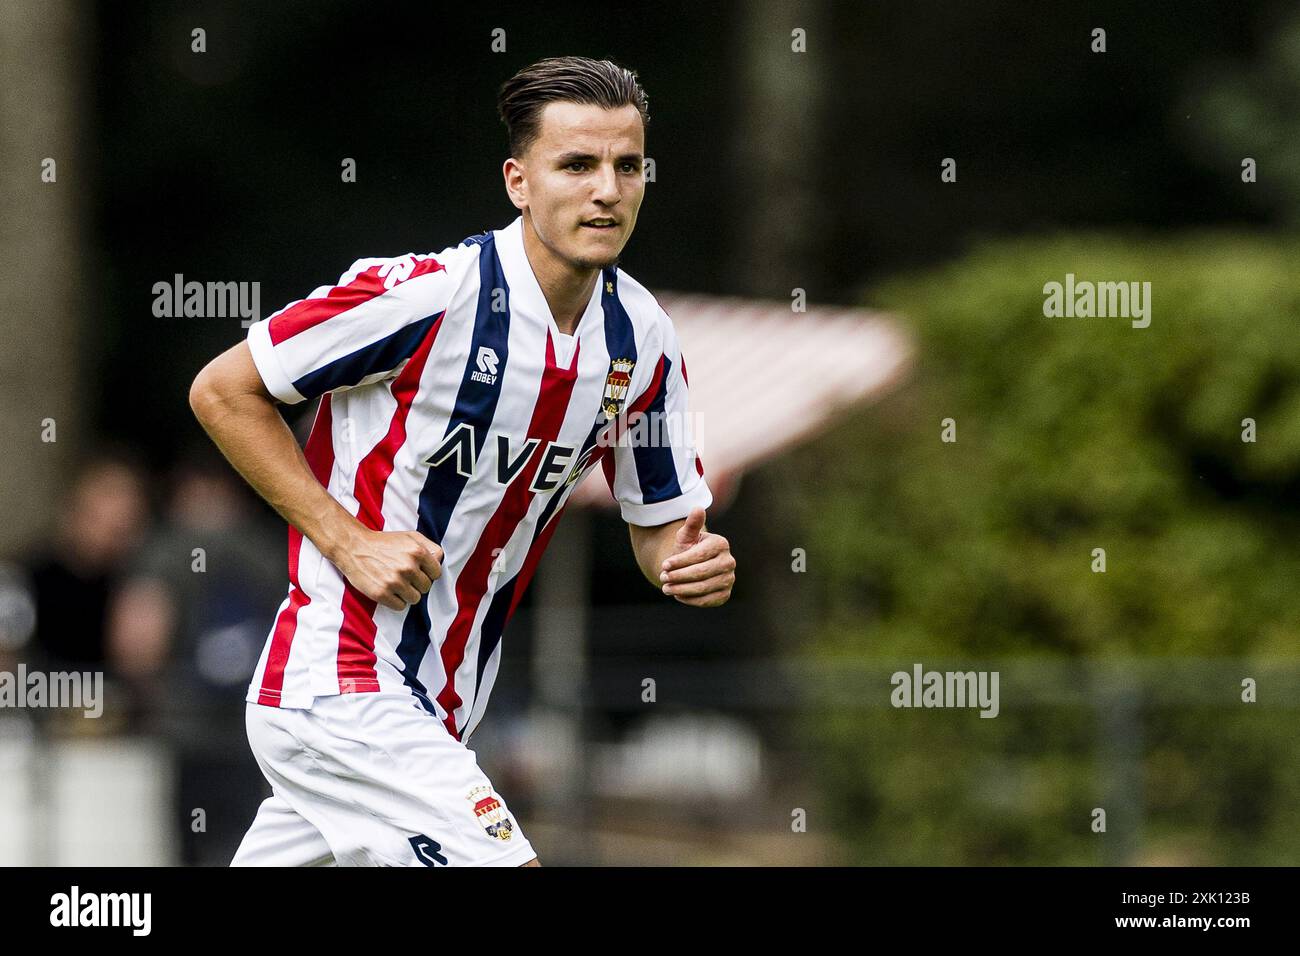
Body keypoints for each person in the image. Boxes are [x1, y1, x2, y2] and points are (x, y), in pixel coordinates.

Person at [190, 56, 736, 867]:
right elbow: (224, 389)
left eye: (628, 166)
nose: (608, 189)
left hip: (440, 708)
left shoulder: (644, 341)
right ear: (518, 180)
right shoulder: (426, 296)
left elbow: (660, 529)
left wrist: (687, 565)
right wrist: (347, 538)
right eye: (578, 165)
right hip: (342, 682)